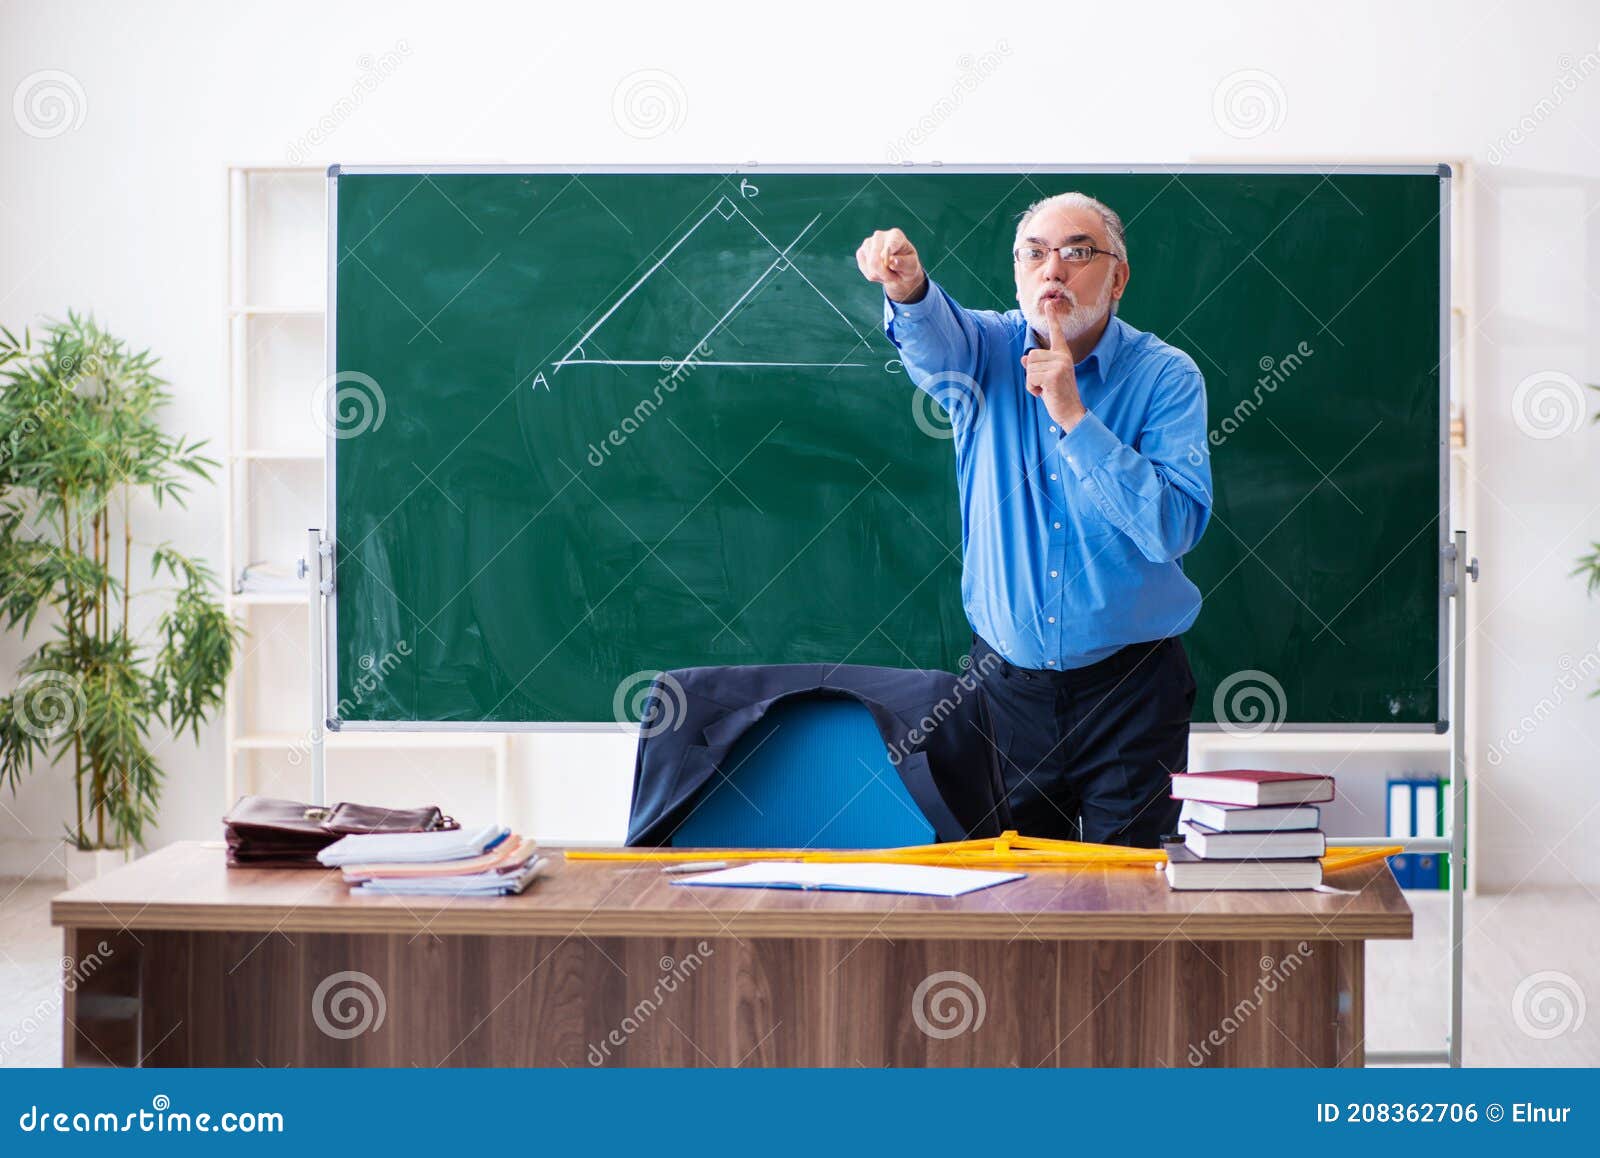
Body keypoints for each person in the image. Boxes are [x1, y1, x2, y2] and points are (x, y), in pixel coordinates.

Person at [855, 191, 1212, 847]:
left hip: (1133, 695)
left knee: (1123, 909)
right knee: (1014, 905)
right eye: (1035, 253)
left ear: (1118, 277)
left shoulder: (1167, 377)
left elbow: (1173, 528)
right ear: (1019, 272)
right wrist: (908, 289)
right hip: (1003, 694)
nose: (1054, 269)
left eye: (1077, 252)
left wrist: (1076, 418)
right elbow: (933, 339)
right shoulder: (984, 352)